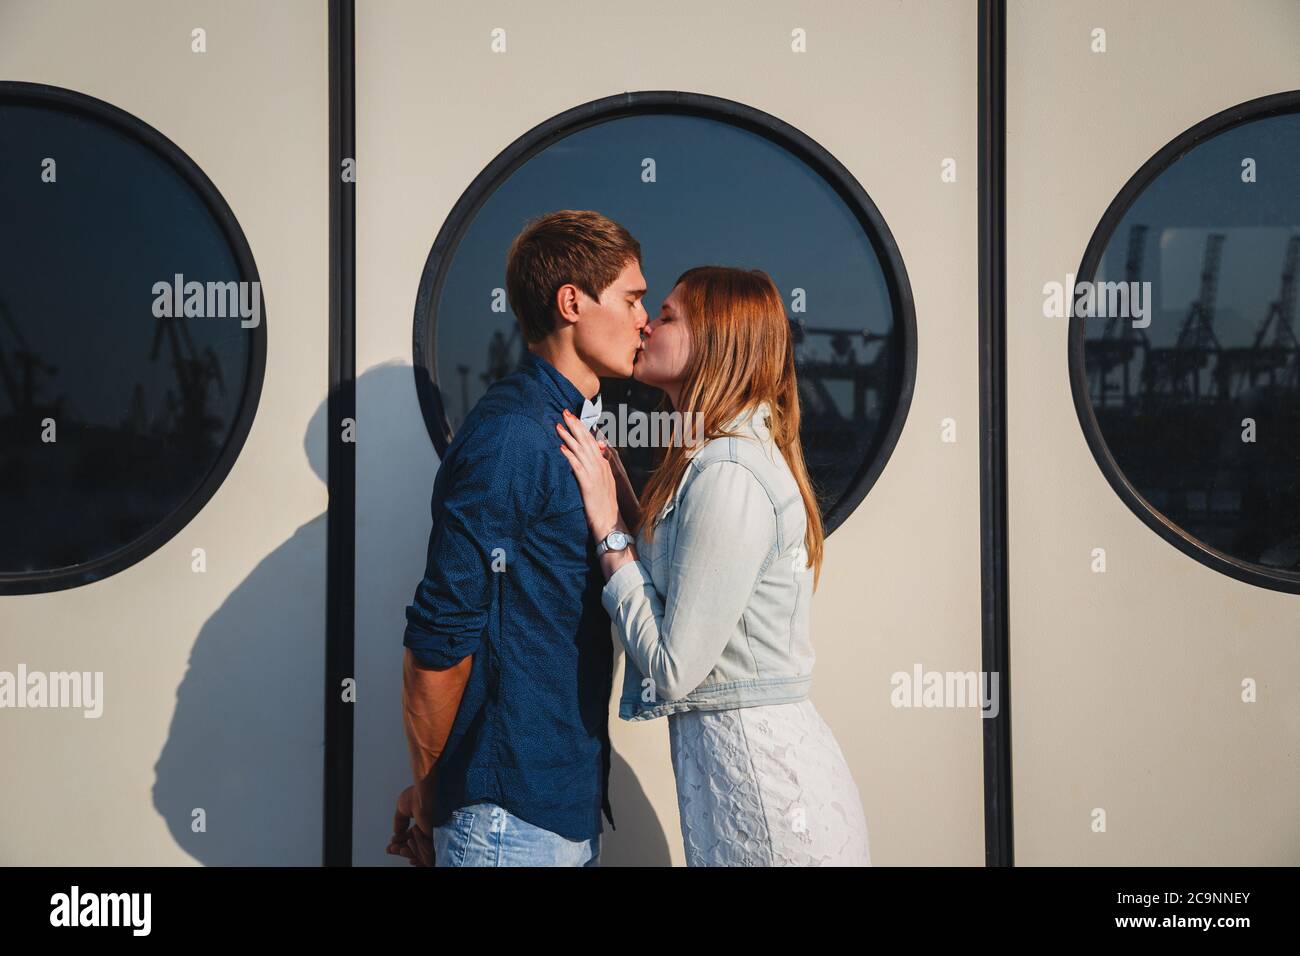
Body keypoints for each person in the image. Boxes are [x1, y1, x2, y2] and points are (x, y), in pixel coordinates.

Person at [556, 265, 872, 866]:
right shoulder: (714, 460)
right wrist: (623, 497)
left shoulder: (728, 472)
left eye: (668, 316)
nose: (646, 324)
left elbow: (674, 669)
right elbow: (681, 576)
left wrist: (608, 532)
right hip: (745, 777)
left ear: (717, 341)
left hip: (766, 794)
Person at [387, 209, 647, 866]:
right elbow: (436, 646)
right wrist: (430, 795)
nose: (645, 319)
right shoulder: (514, 438)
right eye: (633, 298)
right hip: (509, 828)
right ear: (571, 302)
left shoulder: (572, 427)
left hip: (556, 811)